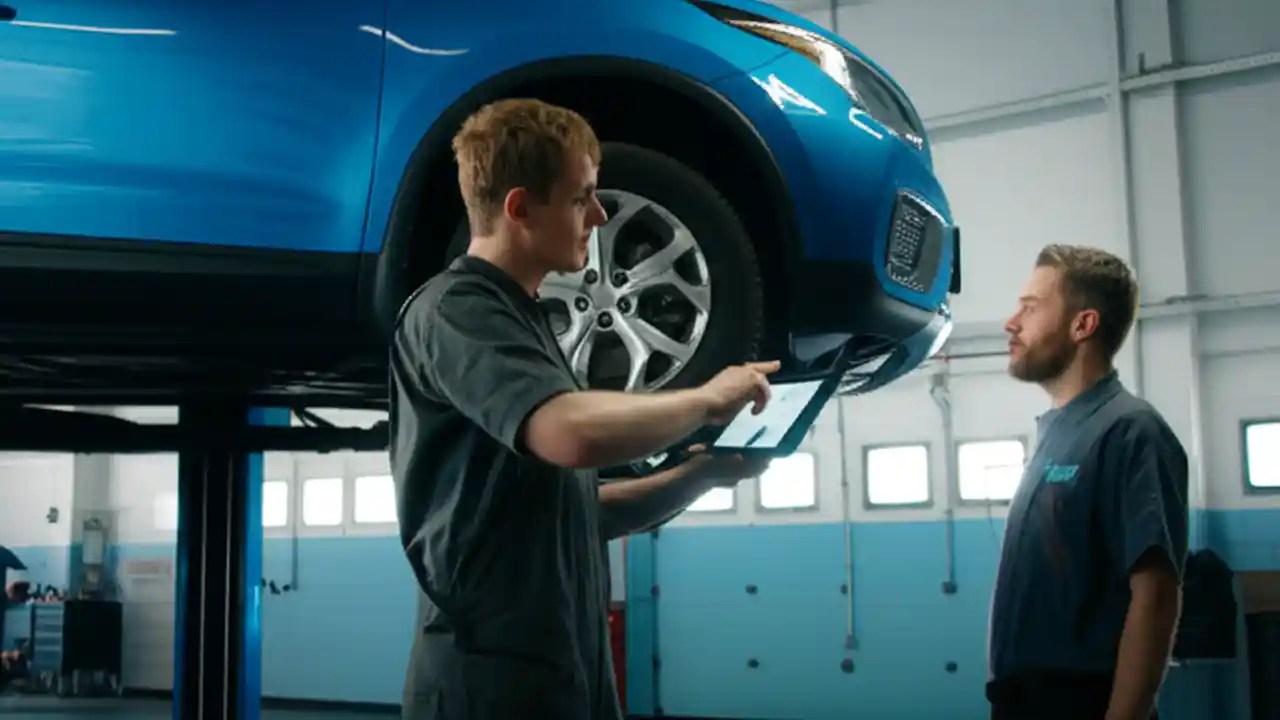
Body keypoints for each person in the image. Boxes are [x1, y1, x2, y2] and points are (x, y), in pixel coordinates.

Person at [388, 98, 780, 720]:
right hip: (487, 689)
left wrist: (703, 474)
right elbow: (569, 434)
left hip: (565, 674)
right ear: (520, 208)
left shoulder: (526, 323)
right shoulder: (456, 311)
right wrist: (709, 399)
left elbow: (578, 512)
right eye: (582, 198)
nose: (598, 215)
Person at [986, 244, 1189, 720]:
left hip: (1081, 702)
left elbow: (1156, 594)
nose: (1011, 323)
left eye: (1030, 308)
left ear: (1083, 325)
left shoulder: (1131, 430)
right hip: (1022, 701)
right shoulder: (1056, 432)